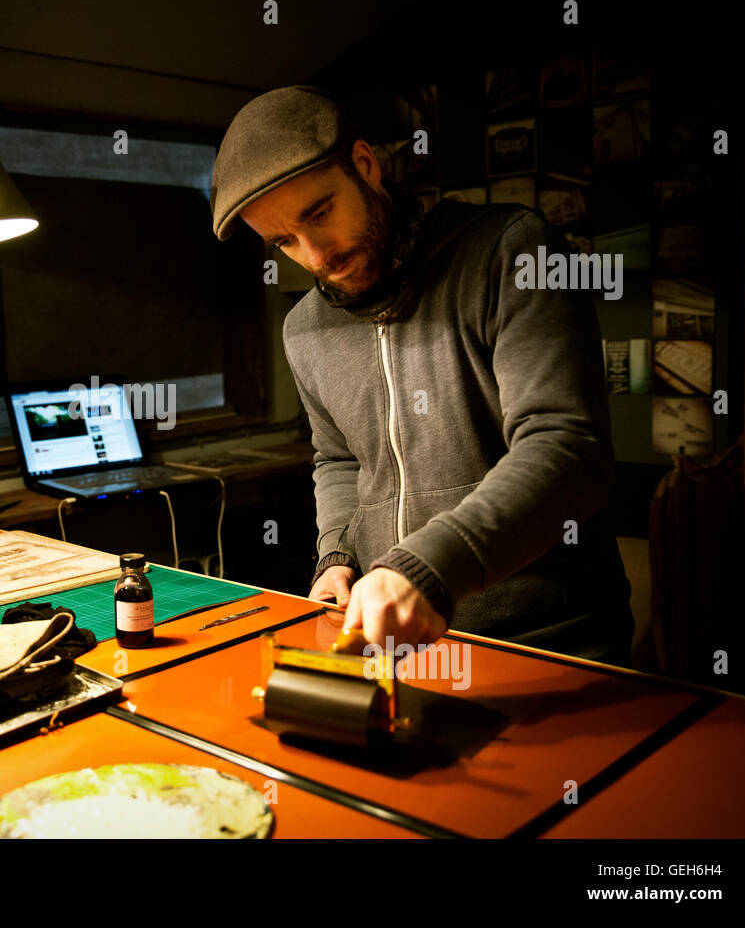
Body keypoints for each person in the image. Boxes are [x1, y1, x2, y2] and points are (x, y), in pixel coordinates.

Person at [210, 86, 633, 664]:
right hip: (403, 648)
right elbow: (339, 460)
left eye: (320, 213)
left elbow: (567, 448)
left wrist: (429, 565)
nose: (315, 256)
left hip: (551, 642)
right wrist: (335, 554)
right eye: (284, 241)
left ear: (364, 166)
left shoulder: (511, 252)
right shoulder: (304, 329)